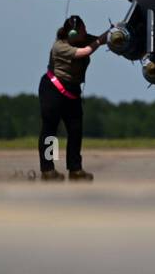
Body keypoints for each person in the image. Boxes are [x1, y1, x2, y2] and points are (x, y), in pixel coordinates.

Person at [39, 14, 108, 182]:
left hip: (72, 92)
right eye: (80, 31)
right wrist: (99, 42)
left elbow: (102, 39)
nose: (84, 34)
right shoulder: (60, 46)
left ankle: (75, 169)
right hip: (53, 90)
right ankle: (48, 170)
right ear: (71, 33)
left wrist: (113, 33)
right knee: (50, 131)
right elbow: (84, 52)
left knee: (76, 131)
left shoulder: (83, 39)